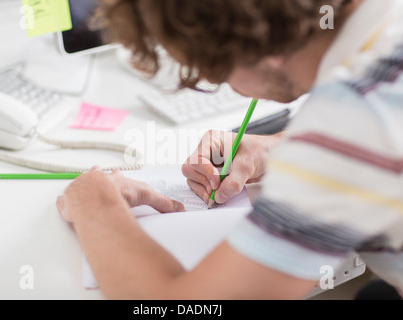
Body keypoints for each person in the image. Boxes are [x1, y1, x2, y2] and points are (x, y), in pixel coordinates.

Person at [56, 0, 403, 299]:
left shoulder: (354, 121)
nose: (223, 84)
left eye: (212, 68)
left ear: (262, 46)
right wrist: (275, 149)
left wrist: (96, 203)